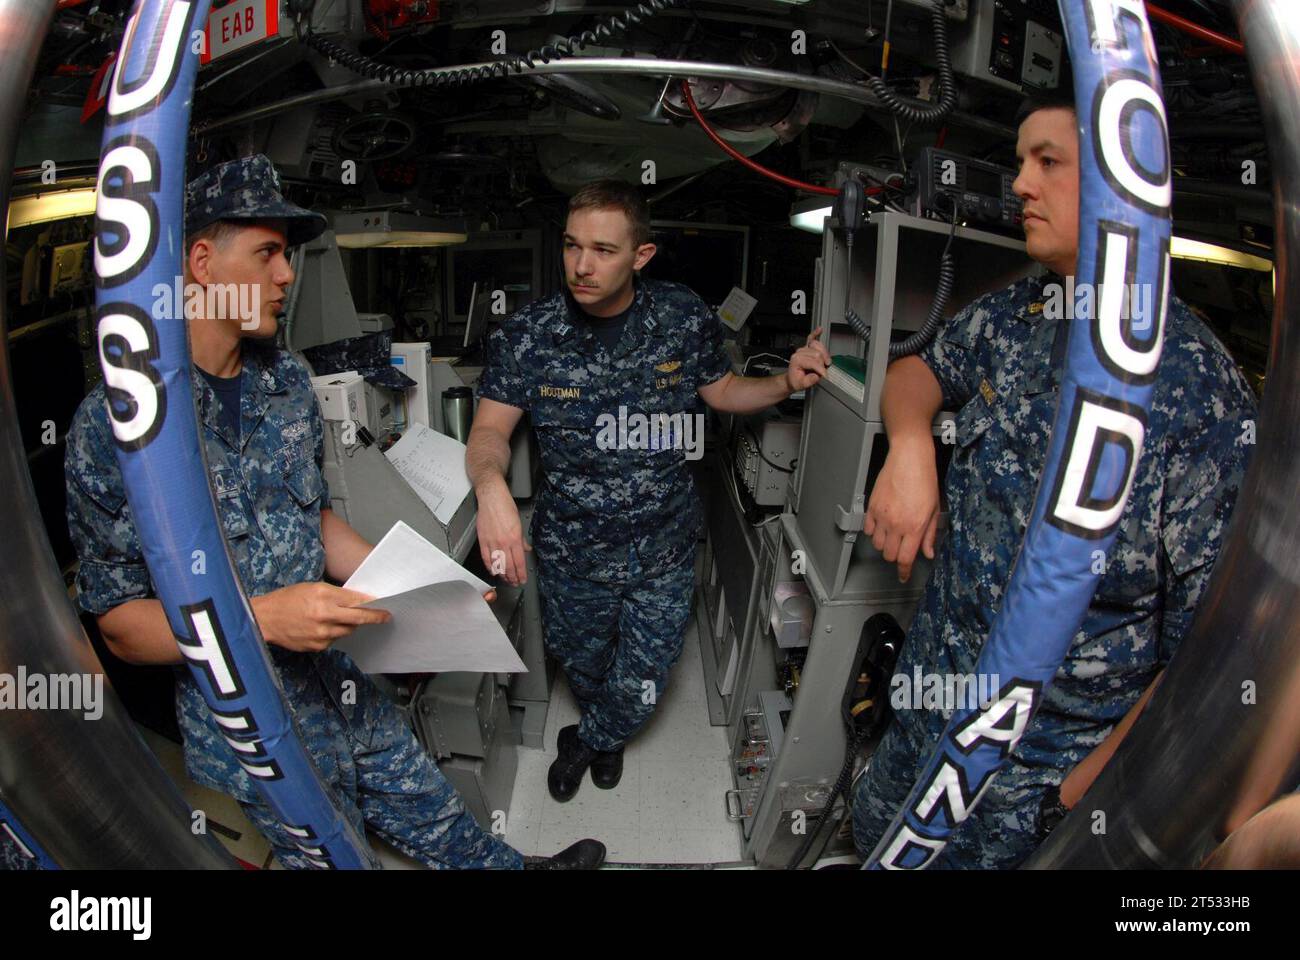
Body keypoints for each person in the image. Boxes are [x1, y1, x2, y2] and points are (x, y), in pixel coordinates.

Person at [64, 155, 603, 870]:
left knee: (427, 803)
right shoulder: (120, 426)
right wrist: (260, 620)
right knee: (338, 853)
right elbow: (121, 629)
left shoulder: (286, 381)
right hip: (246, 718)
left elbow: (313, 520)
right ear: (202, 261)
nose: (287, 274)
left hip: (332, 671)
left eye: (287, 254)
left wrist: (428, 586)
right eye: (267, 253)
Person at [850, 95, 1258, 868]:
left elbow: (1209, 663)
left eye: (1047, 163)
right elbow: (916, 370)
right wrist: (910, 447)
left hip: (1027, 787)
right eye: (1018, 162)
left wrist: (1072, 800)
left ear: (1120, 185)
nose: (1019, 186)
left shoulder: (1198, 394)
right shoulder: (1024, 312)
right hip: (922, 719)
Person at [467, 179, 830, 802]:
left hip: (662, 545)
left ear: (641, 256)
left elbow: (723, 393)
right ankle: (603, 733)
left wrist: (783, 386)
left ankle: (593, 740)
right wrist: (490, 487)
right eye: (572, 246)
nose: (582, 266)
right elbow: (488, 432)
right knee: (580, 662)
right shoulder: (527, 334)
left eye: (604, 250)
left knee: (645, 675)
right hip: (573, 549)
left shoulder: (682, 315)